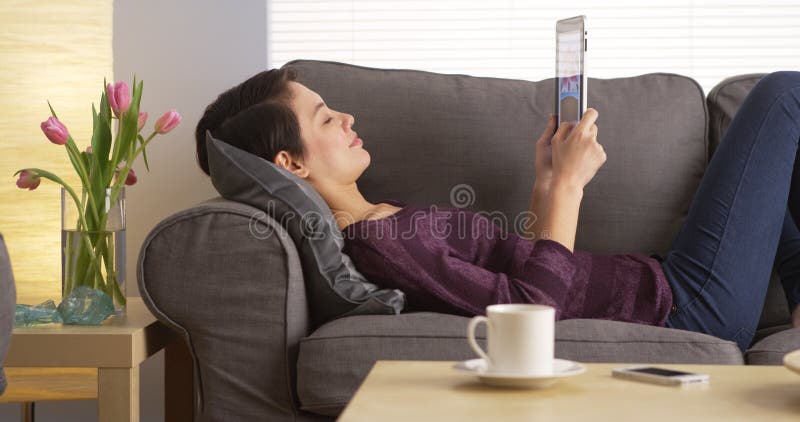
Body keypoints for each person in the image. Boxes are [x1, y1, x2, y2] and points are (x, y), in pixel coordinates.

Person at [196, 66, 800, 353]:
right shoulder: (378, 244)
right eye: (327, 118)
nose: (348, 117)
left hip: (665, 285)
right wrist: (569, 188)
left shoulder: (383, 217)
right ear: (291, 164)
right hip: (685, 309)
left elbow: (515, 278)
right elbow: (533, 314)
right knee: (781, 95)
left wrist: (543, 184)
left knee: (778, 164)